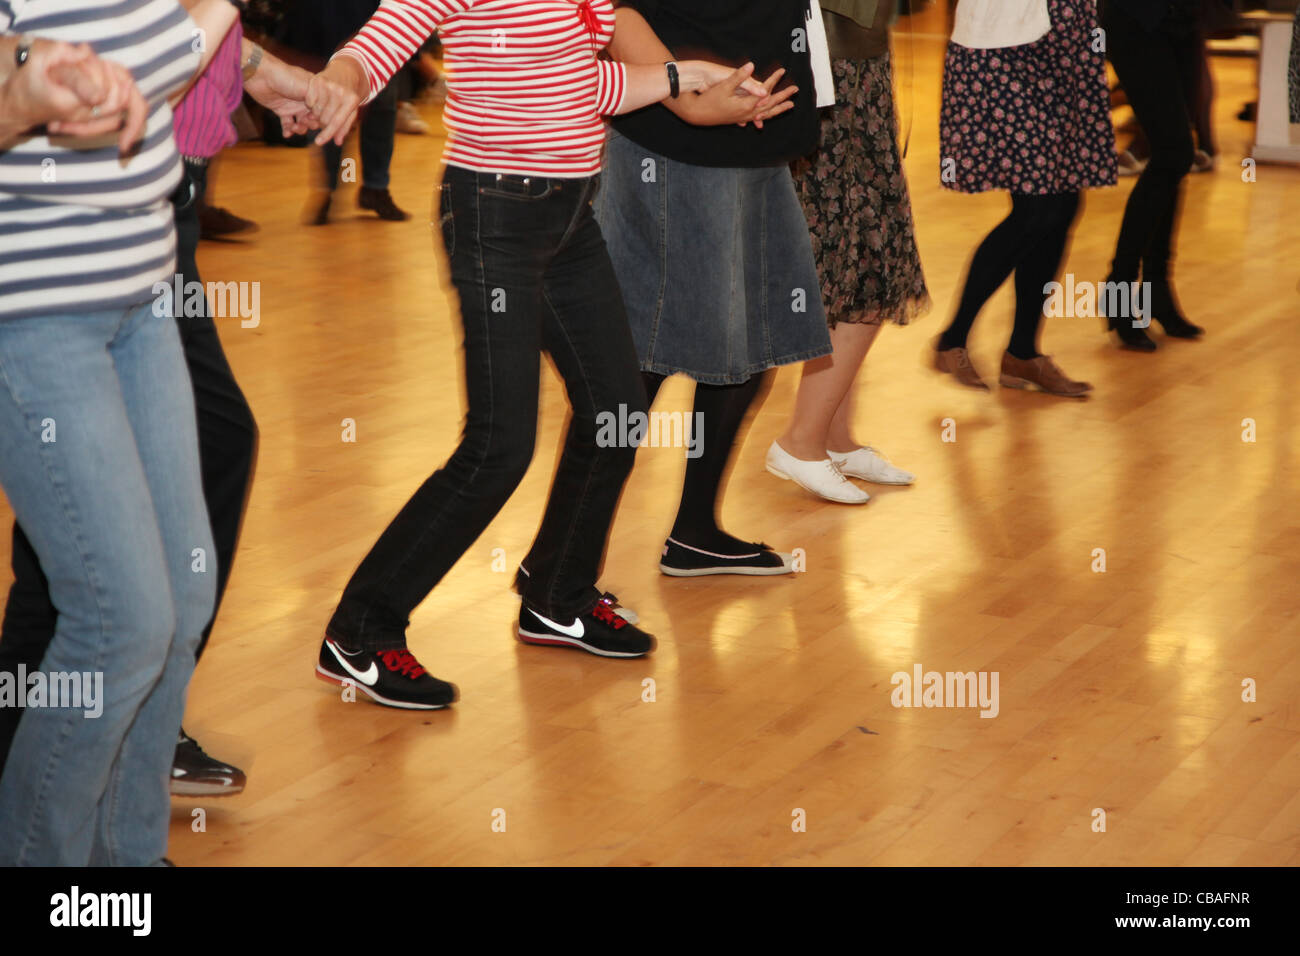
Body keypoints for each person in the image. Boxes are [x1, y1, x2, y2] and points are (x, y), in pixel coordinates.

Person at [302, 0, 781, 708]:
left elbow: (584, 87)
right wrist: (342, 76)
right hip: (495, 216)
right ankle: (360, 629)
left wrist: (689, 77)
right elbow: (389, 34)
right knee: (498, 448)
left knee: (617, 408)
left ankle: (558, 594)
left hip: (567, 221)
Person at [0, 3, 318, 802]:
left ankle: (121, 851)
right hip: (44, 296)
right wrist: (27, 87)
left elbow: (163, 47)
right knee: (119, 611)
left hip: (145, 273)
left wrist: (249, 61)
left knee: (172, 596)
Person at [599, 0, 828, 575]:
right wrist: (692, 102)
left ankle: (695, 529)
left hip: (751, 138)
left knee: (751, 344)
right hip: (681, 144)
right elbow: (613, 8)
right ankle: (560, 556)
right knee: (641, 357)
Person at [768, 0, 929, 504]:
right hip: (822, 67)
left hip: (860, 64)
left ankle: (832, 437)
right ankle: (803, 440)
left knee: (860, 256)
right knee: (862, 256)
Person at [932, 0, 1115, 396]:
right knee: (1038, 208)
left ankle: (1023, 353)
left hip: (1066, 39)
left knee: (1063, 203)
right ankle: (953, 337)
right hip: (1004, 48)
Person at [1100, 0, 1207, 351]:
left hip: (1182, 18)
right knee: (1175, 152)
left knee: (1172, 157)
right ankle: (1121, 286)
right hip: (1137, 18)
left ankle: (1156, 288)